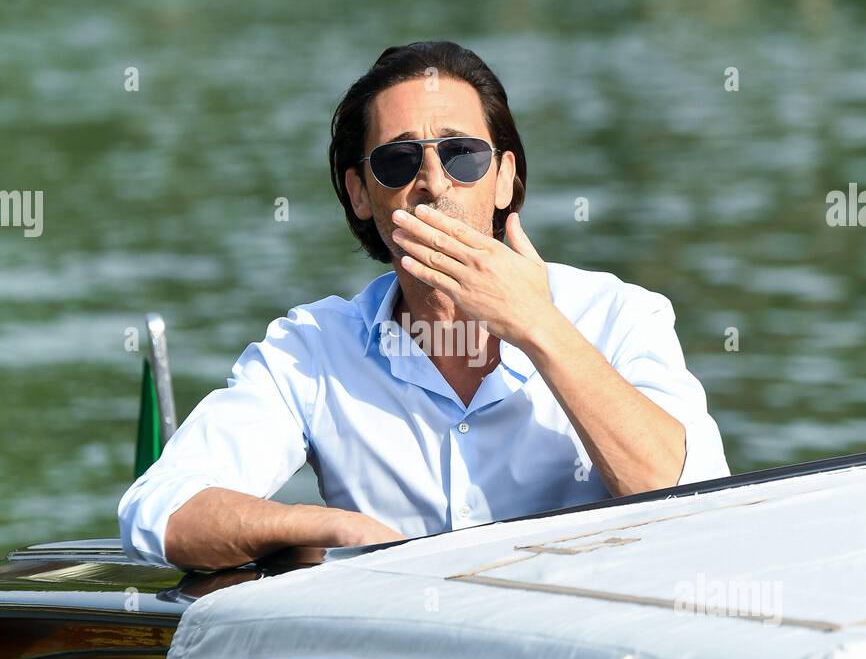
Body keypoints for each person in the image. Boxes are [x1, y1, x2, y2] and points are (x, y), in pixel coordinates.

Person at [118, 39, 728, 571]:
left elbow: (698, 503)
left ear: (505, 178)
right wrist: (330, 528)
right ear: (360, 193)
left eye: (462, 154)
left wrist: (538, 326)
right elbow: (159, 509)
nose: (434, 181)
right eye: (398, 160)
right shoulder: (312, 350)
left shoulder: (620, 316)